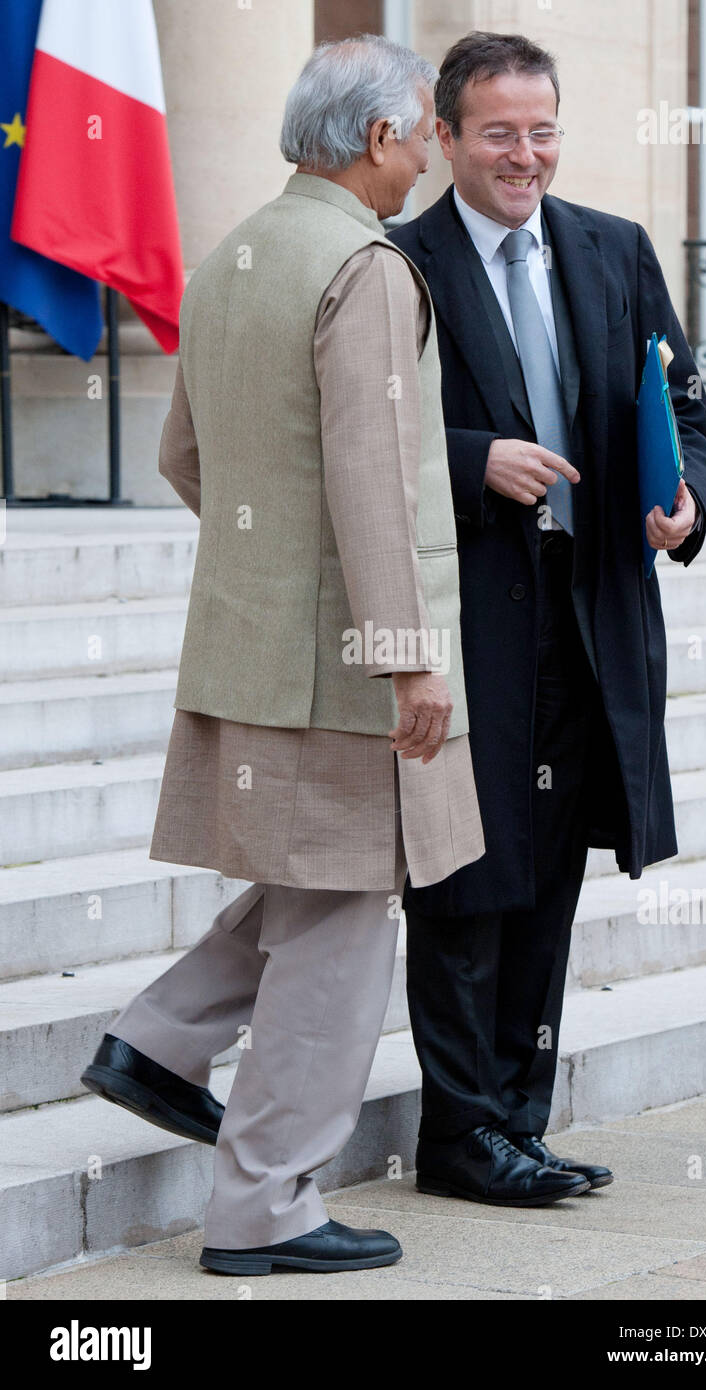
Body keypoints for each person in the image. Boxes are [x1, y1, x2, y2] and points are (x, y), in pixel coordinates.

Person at [80, 34, 495, 1277]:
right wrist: (408, 658)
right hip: (352, 664)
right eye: (425, 128)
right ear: (379, 140)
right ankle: (266, 1203)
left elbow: (183, 461)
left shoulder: (234, 254)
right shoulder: (366, 267)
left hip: (263, 648)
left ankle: (158, 1040)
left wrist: (278, 576)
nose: (429, 150)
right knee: (347, 919)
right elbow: (372, 484)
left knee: (320, 883)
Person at [388, 30, 706, 1205]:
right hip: (471, 628)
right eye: (498, 133)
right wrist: (476, 458)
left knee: (553, 881)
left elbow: (682, 403)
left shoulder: (615, 249)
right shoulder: (400, 263)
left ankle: (516, 1124)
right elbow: (352, 445)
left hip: (591, 624)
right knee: (468, 883)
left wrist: (685, 494)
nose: (525, 154)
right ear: (444, 136)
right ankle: (458, 1132)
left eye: (542, 130)